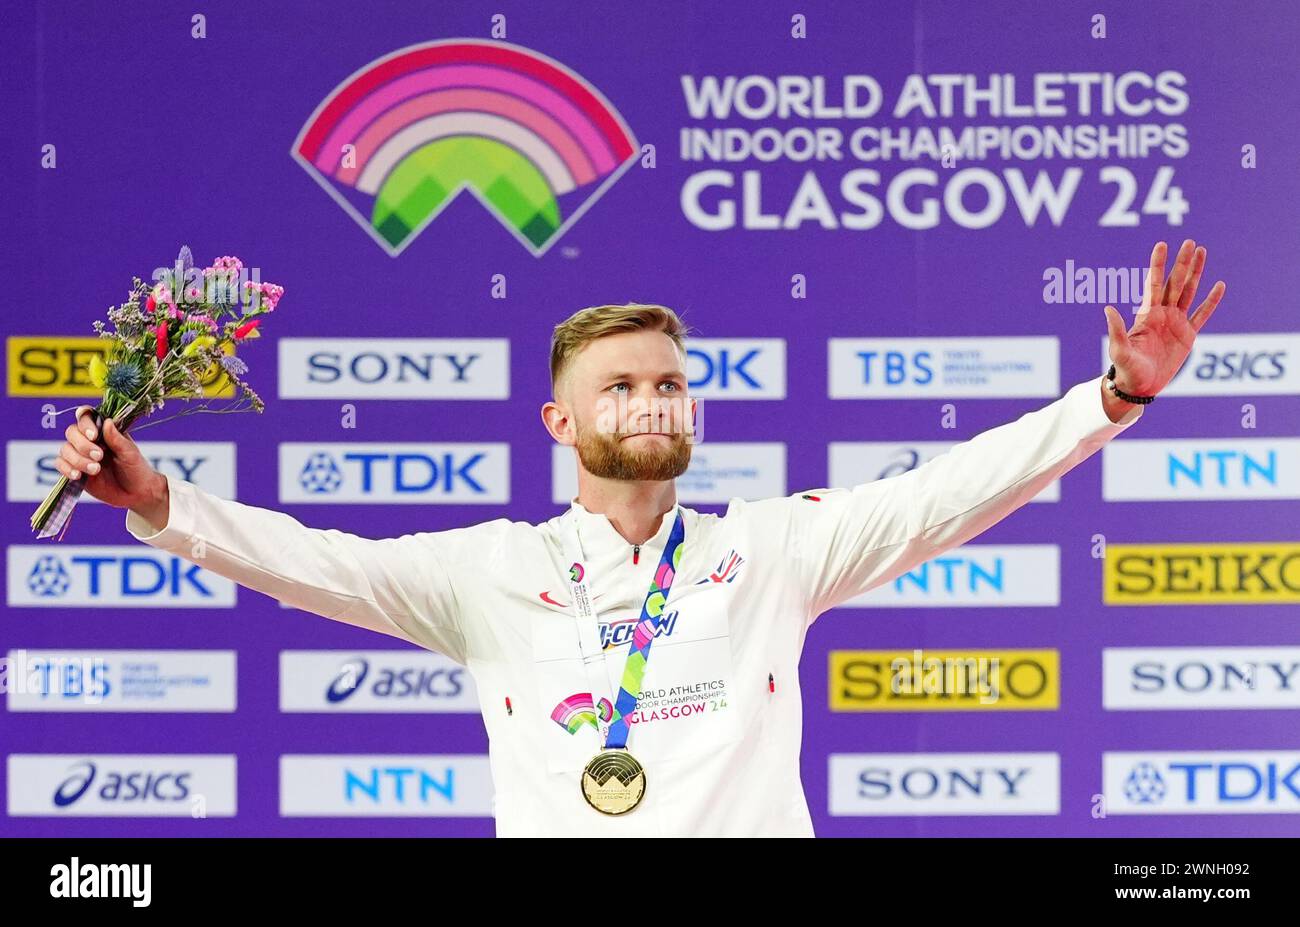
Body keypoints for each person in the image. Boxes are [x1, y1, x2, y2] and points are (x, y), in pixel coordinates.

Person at [55, 239, 1224, 837]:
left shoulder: (773, 549)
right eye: (621, 386)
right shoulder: (489, 572)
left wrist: (1111, 399)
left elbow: (953, 491)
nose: (653, 402)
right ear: (563, 421)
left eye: (670, 382)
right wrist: (161, 500)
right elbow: (315, 564)